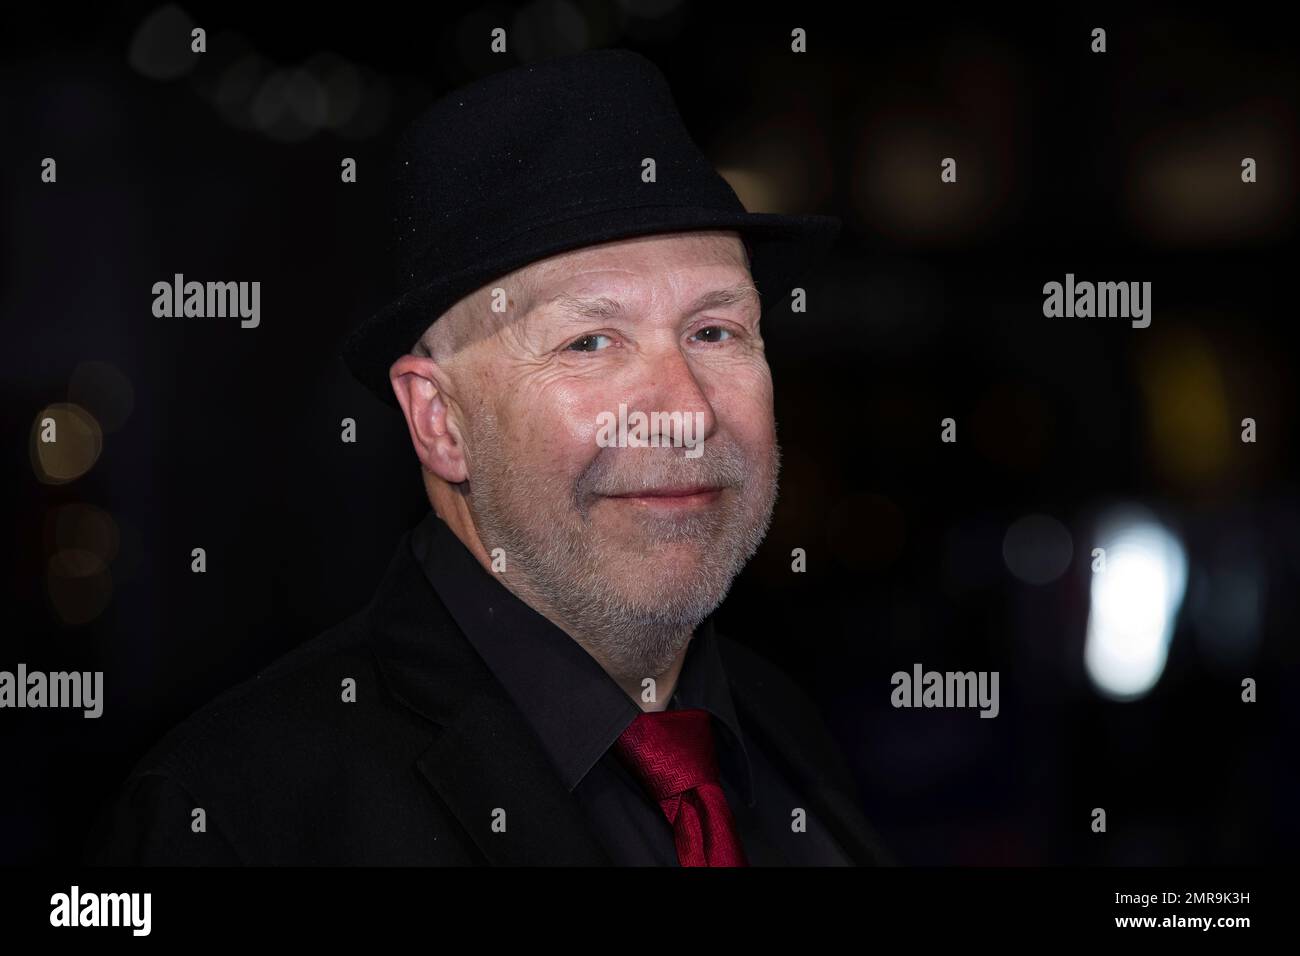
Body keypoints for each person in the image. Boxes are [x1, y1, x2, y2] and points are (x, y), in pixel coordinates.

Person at [84, 47, 888, 866]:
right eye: (590, 342)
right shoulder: (236, 820)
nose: (684, 411)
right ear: (439, 422)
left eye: (715, 331)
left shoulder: (785, 737)